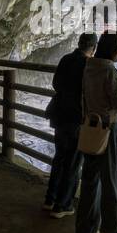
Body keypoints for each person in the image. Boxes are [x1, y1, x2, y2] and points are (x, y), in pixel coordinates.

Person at [75, 31, 117, 233]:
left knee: (90, 178)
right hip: (108, 129)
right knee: (111, 180)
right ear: (113, 50)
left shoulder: (89, 66)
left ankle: (84, 231)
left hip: (90, 127)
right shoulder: (110, 71)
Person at [43, 33, 97, 218]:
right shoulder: (88, 65)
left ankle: (50, 199)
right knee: (73, 163)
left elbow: (56, 84)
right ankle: (63, 205)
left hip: (59, 115)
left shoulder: (66, 59)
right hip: (76, 119)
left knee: (60, 158)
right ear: (93, 48)